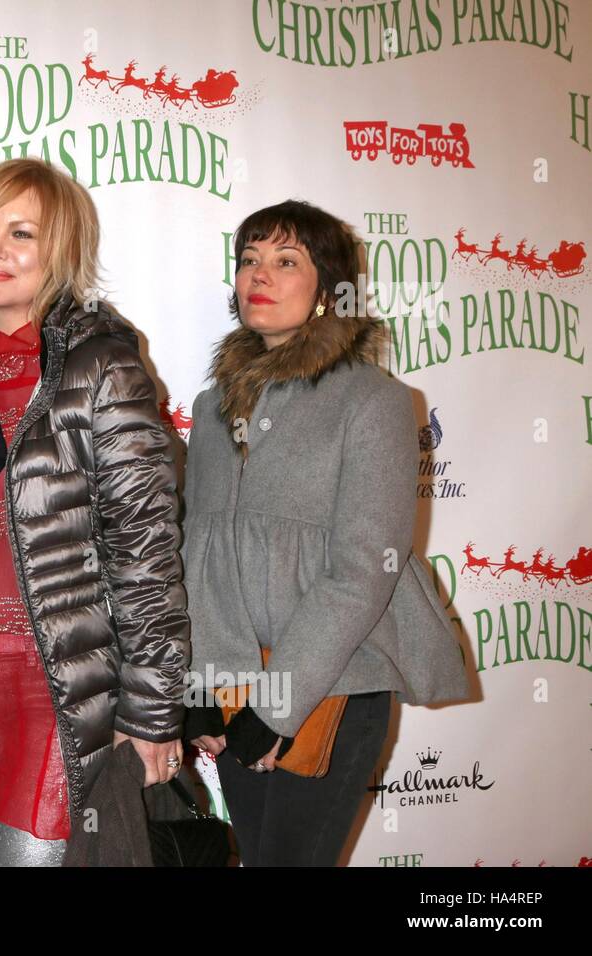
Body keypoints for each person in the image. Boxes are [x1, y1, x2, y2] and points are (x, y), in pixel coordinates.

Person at [181, 199, 469, 866]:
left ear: (328, 289)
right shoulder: (211, 406)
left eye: (286, 261)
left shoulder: (374, 400)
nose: (261, 274)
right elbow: (198, 553)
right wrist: (197, 687)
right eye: (250, 259)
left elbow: (365, 567)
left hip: (331, 687)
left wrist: (275, 708)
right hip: (231, 690)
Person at [0, 158, 189, 866]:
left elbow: (146, 551)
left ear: (63, 253)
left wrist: (149, 712)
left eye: (23, 232)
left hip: (57, 692)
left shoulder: (102, 367)